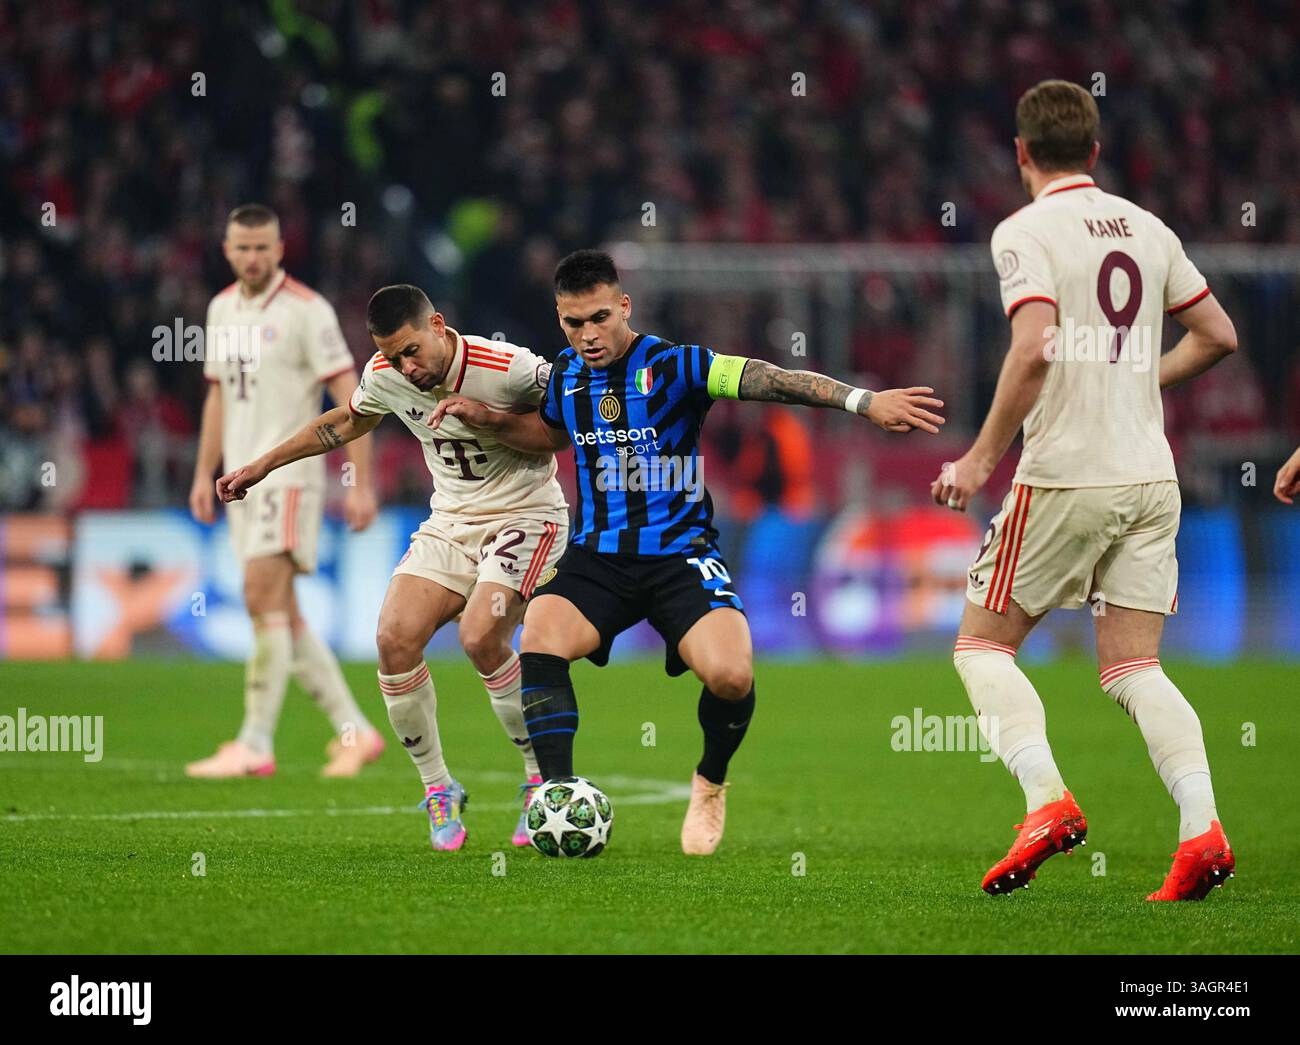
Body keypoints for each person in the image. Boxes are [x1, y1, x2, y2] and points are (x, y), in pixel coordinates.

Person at [431, 249, 945, 855]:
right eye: (573, 323)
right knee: (539, 637)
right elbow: (548, 433)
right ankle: (557, 792)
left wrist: (862, 402)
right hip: (600, 557)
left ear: (624, 306)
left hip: (680, 554)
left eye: (599, 317)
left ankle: (710, 782)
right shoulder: (566, 377)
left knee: (731, 675)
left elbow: (767, 379)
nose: (588, 335)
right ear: (560, 321)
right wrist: (488, 417)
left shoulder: (675, 366)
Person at [930, 81, 1240, 900]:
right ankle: (1201, 829)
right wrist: (1137, 378)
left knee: (981, 646)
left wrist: (978, 459)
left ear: (1023, 153)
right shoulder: (1148, 226)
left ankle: (1044, 801)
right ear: (1097, 152)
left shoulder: (1026, 230)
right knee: (1134, 667)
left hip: (1067, 472)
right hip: (1150, 473)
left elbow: (1032, 347)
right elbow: (1219, 335)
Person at [216, 284, 568, 851]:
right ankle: (439, 789)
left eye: (411, 351)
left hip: (526, 517)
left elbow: (566, 429)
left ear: (438, 324)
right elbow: (347, 422)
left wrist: (490, 418)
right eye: (391, 355)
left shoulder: (510, 368)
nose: (405, 367)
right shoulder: (386, 374)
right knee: (393, 639)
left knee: (481, 636)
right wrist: (262, 466)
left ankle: (537, 781)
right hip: (450, 523)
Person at [186, 204, 383, 779]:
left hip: (286, 477)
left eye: (262, 247)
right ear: (227, 249)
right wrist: (203, 472)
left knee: (259, 598)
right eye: (242, 247)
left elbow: (354, 395)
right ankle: (357, 732)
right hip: (238, 480)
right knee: (284, 613)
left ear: (279, 249)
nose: (252, 257)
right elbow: (218, 395)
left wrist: (361, 481)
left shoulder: (307, 310)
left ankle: (254, 743)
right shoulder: (220, 308)